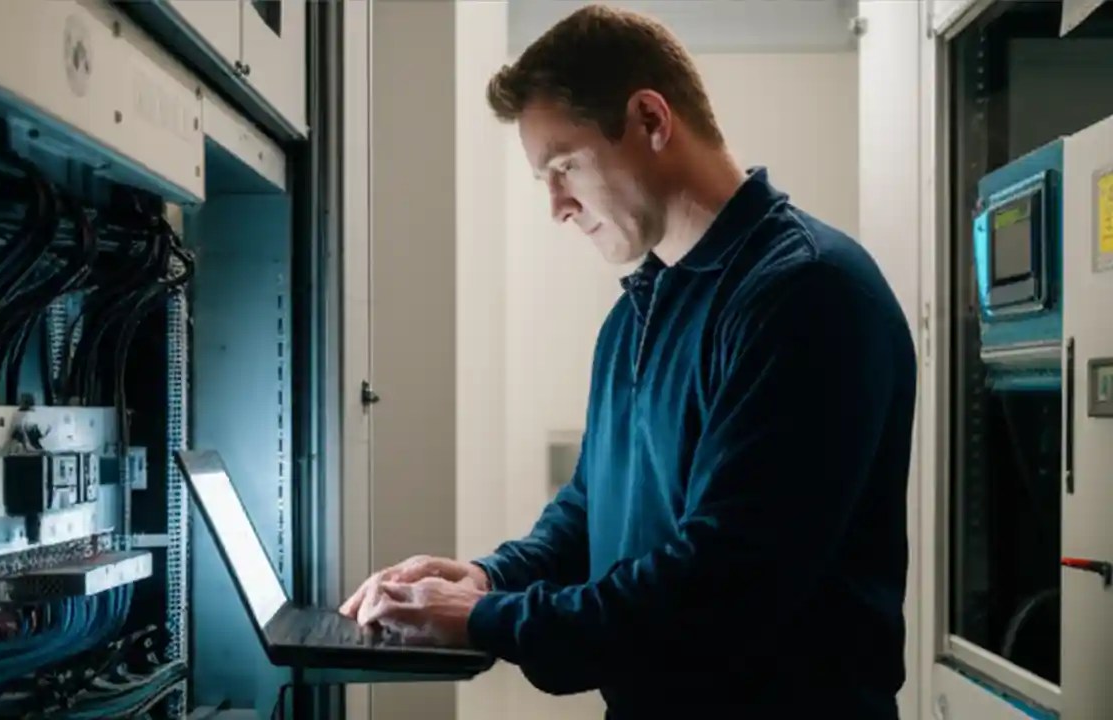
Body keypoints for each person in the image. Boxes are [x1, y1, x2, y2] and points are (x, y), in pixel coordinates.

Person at [339, 4, 917, 718]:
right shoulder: (635, 315)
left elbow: (720, 585)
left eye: (565, 165)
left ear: (650, 119)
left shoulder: (807, 295)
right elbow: (591, 510)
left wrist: (487, 620)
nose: (557, 205)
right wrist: (487, 578)